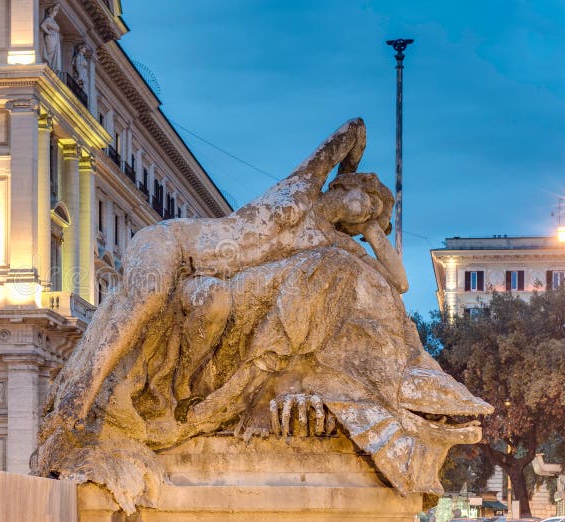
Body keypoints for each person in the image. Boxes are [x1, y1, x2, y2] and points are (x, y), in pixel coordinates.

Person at [42, 118, 404, 435]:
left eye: (374, 213)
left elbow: (398, 282)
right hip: (175, 244)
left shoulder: (334, 245)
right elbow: (355, 129)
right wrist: (349, 175)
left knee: (216, 301)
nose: (368, 212)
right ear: (346, 185)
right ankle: (79, 395)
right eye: (369, 200)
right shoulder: (304, 187)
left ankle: (181, 390)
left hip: (205, 280)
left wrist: (373, 231)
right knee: (148, 298)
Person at [40, 5, 62, 71]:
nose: (56, 12)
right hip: (51, 37)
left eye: (57, 11)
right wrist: (49, 33)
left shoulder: (53, 21)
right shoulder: (48, 19)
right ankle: (47, 64)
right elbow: (42, 26)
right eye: (55, 10)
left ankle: (50, 66)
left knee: (54, 52)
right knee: (50, 51)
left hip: (55, 38)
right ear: (51, 11)